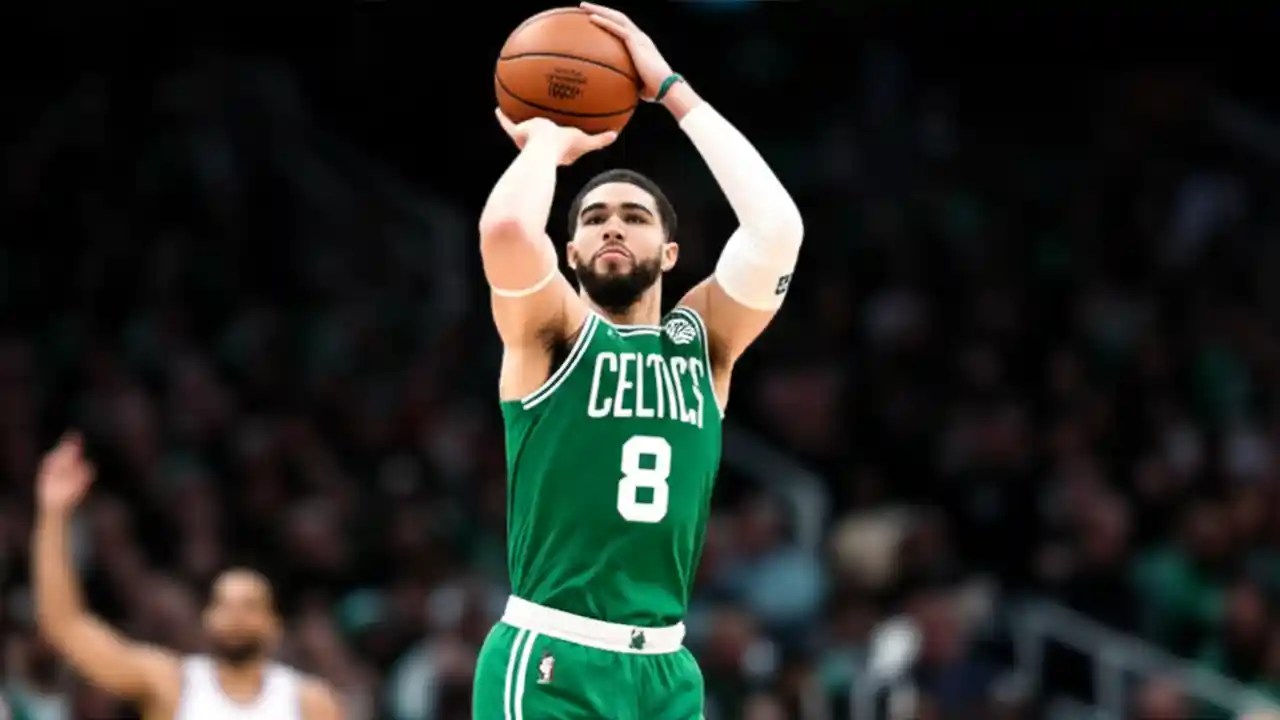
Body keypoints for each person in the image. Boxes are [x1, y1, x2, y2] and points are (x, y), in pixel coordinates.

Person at [472, 2, 804, 717]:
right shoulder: (553, 334)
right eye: (593, 219)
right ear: (571, 254)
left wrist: (673, 91)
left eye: (634, 217)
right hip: (552, 656)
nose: (612, 227)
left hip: (666, 669)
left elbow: (777, 229)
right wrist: (546, 143)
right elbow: (506, 231)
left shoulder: (702, 343)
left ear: (671, 253)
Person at [30, 433, 344, 720]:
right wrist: (53, 514)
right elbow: (66, 626)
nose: (236, 615)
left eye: (249, 605)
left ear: (273, 626)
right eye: (225, 604)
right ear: (208, 619)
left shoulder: (310, 703)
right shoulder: (172, 685)